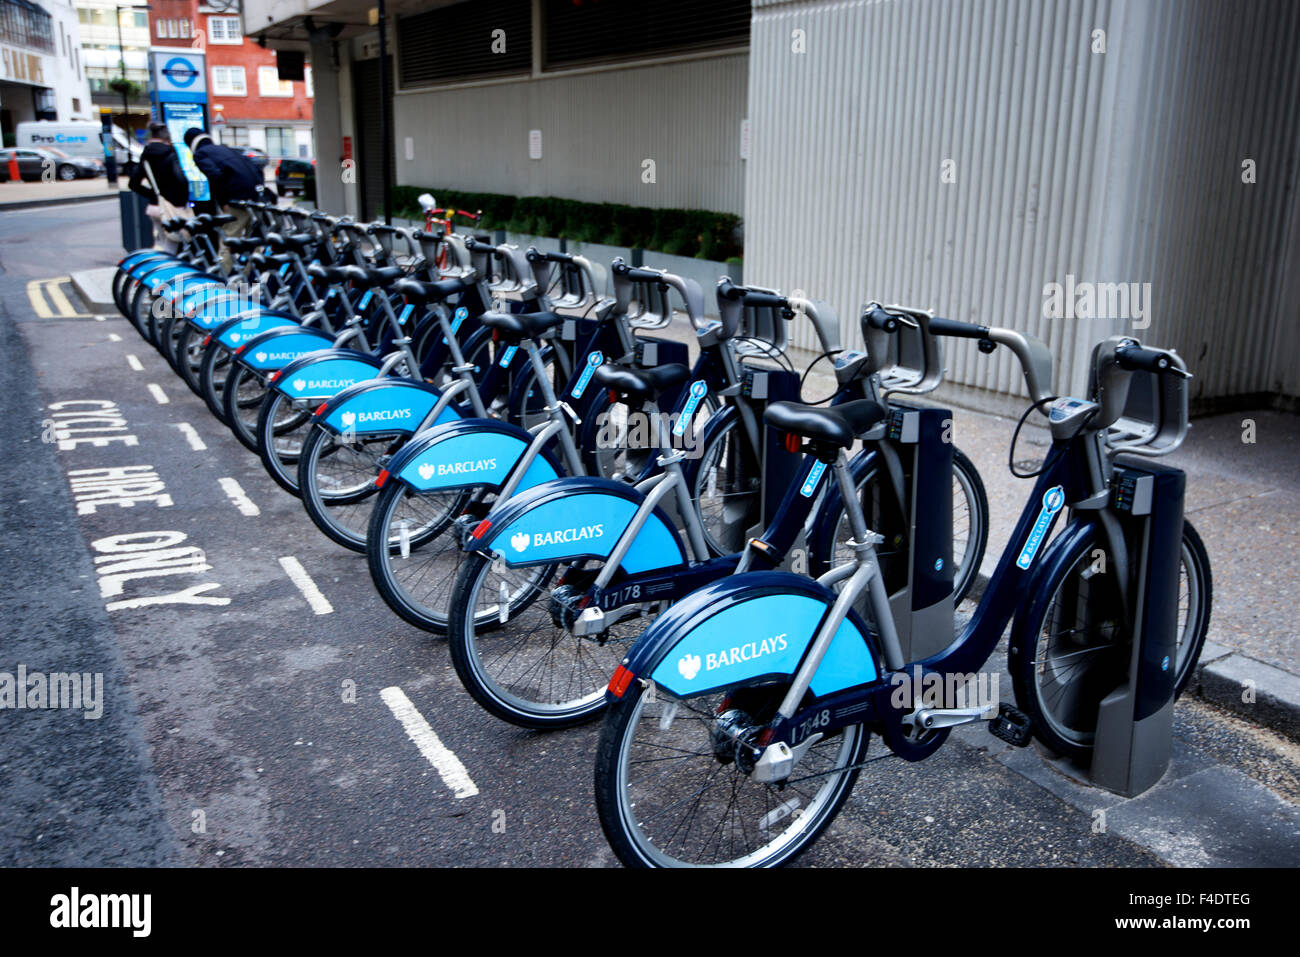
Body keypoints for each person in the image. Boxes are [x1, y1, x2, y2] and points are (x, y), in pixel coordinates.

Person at [183, 127, 265, 269]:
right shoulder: (225, 149)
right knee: (253, 242)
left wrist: (223, 202)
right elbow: (255, 167)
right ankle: (251, 278)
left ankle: (224, 281)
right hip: (254, 198)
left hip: (236, 199)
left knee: (229, 240)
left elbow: (215, 176)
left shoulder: (201, 154)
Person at [127, 122, 191, 251]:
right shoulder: (170, 153)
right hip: (173, 206)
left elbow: (133, 183)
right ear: (167, 138)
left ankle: (159, 266)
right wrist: (183, 200)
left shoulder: (146, 154)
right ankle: (169, 270)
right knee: (174, 243)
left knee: (162, 241)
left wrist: (154, 194)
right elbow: (180, 179)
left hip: (155, 206)